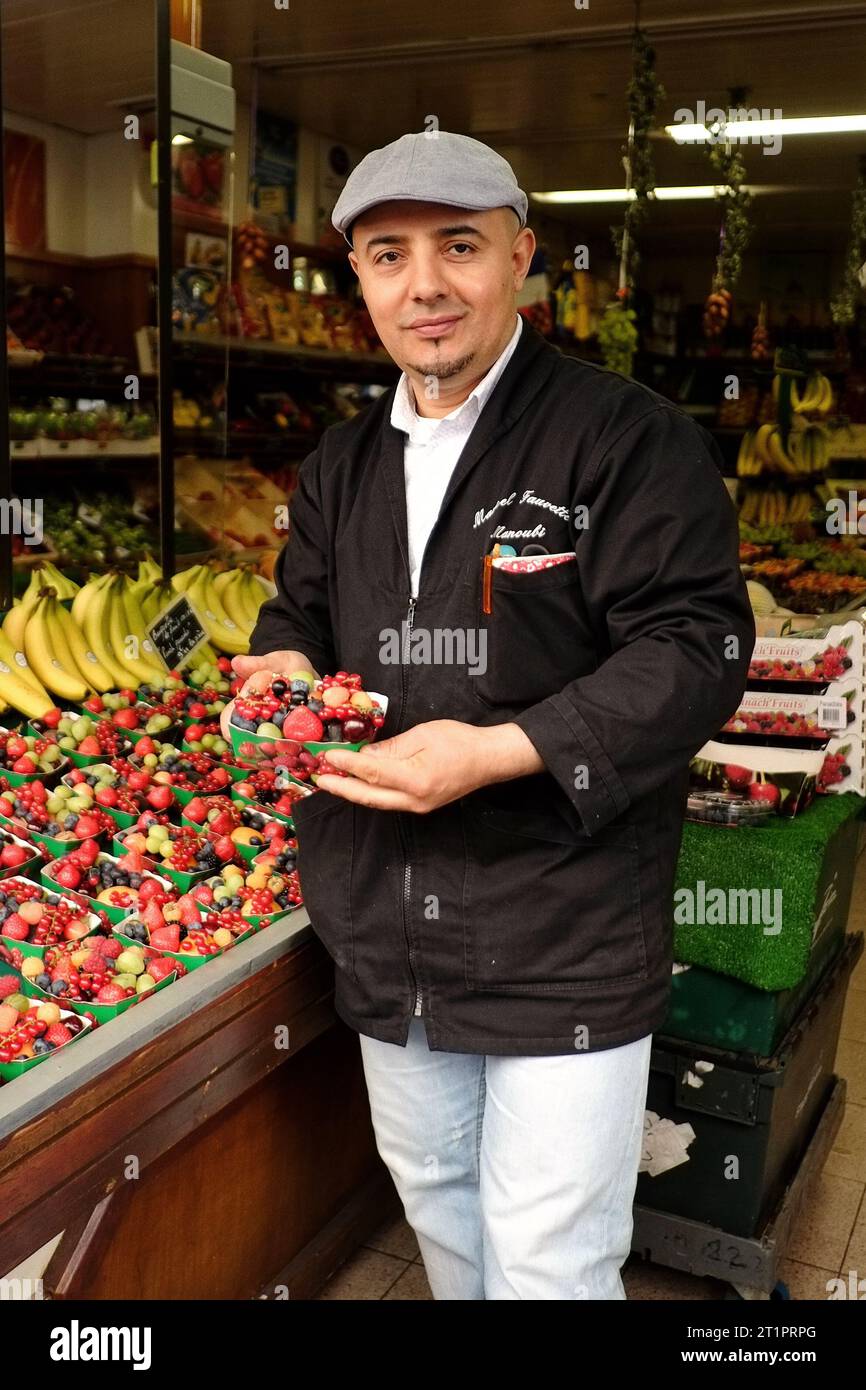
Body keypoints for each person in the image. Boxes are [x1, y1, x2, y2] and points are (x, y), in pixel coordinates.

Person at [221, 131, 755, 1300]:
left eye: (457, 246)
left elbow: (694, 646)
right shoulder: (340, 466)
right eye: (386, 254)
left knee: (549, 1257)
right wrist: (282, 674)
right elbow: (293, 615)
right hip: (386, 924)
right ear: (356, 278)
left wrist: (499, 750)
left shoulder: (622, 439)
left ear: (519, 256)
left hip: (561, 927)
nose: (424, 285)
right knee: (443, 1214)